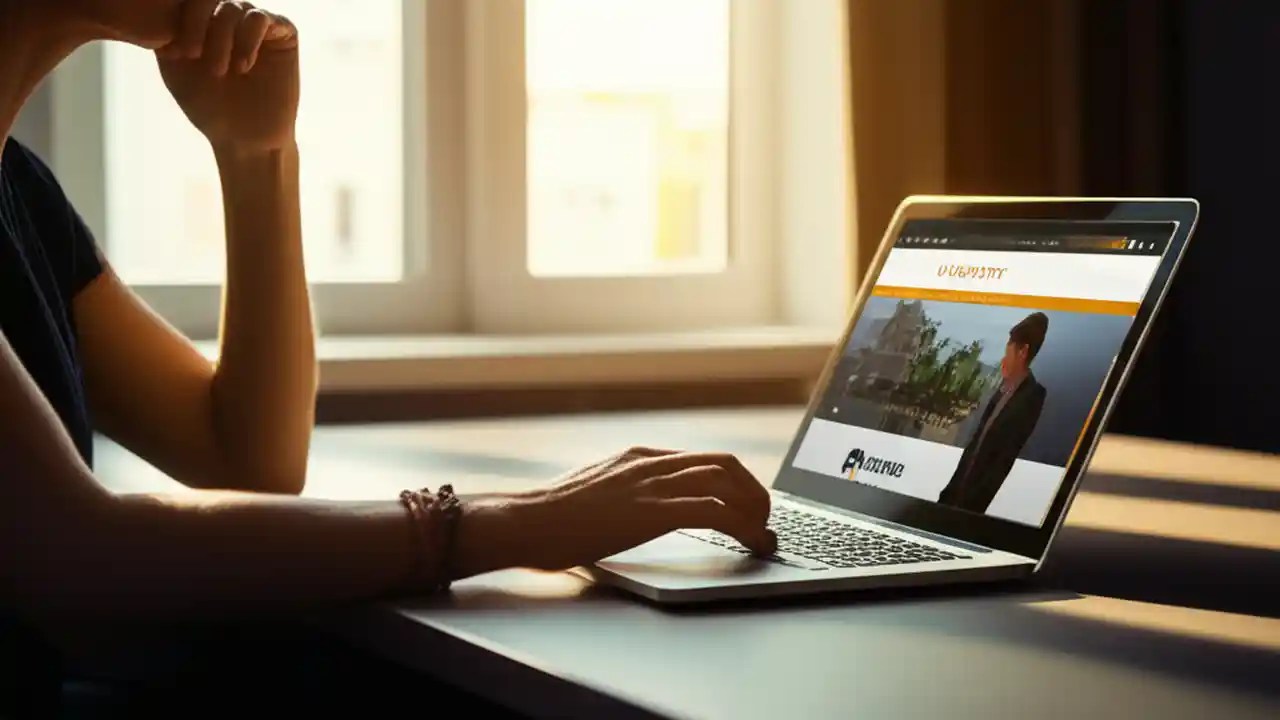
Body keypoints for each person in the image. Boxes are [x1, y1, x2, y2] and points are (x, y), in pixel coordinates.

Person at [0, 1, 776, 714]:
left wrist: (258, 153)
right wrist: (512, 523)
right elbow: (76, 553)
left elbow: (244, 459)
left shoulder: (19, 190)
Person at [937, 312, 1049, 514]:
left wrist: (973, 504)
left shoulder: (1033, 396)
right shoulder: (1003, 388)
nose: (1004, 359)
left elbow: (1003, 458)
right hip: (955, 495)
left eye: (1009, 351)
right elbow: (977, 441)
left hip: (972, 506)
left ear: (1023, 351)